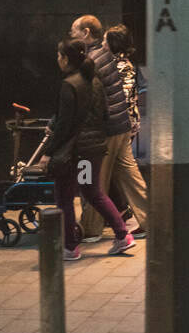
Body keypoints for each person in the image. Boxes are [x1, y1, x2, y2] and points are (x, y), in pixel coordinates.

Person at [39, 39, 133, 260]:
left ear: (65, 58)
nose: (57, 59)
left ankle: (71, 247)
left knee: (63, 196)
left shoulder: (69, 85)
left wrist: (48, 152)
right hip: (93, 149)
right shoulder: (95, 81)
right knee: (93, 191)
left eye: (59, 55)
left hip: (75, 151)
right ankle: (123, 235)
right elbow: (105, 114)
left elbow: (64, 125)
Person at [70, 15, 135, 243]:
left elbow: (90, 101)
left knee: (93, 185)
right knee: (128, 176)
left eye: (74, 31)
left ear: (86, 33)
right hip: (121, 125)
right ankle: (143, 220)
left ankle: (91, 229)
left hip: (105, 131)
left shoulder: (91, 62)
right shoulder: (106, 57)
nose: (72, 35)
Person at [103, 25, 148, 239]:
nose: (102, 44)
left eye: (105, 41)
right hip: (127, 124)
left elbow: (122, 98)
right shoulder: (123, 64)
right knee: (126, 171)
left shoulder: (117, 66)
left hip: (118, 125)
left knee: (100, 174)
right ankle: (144, 218)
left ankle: (93, 225)